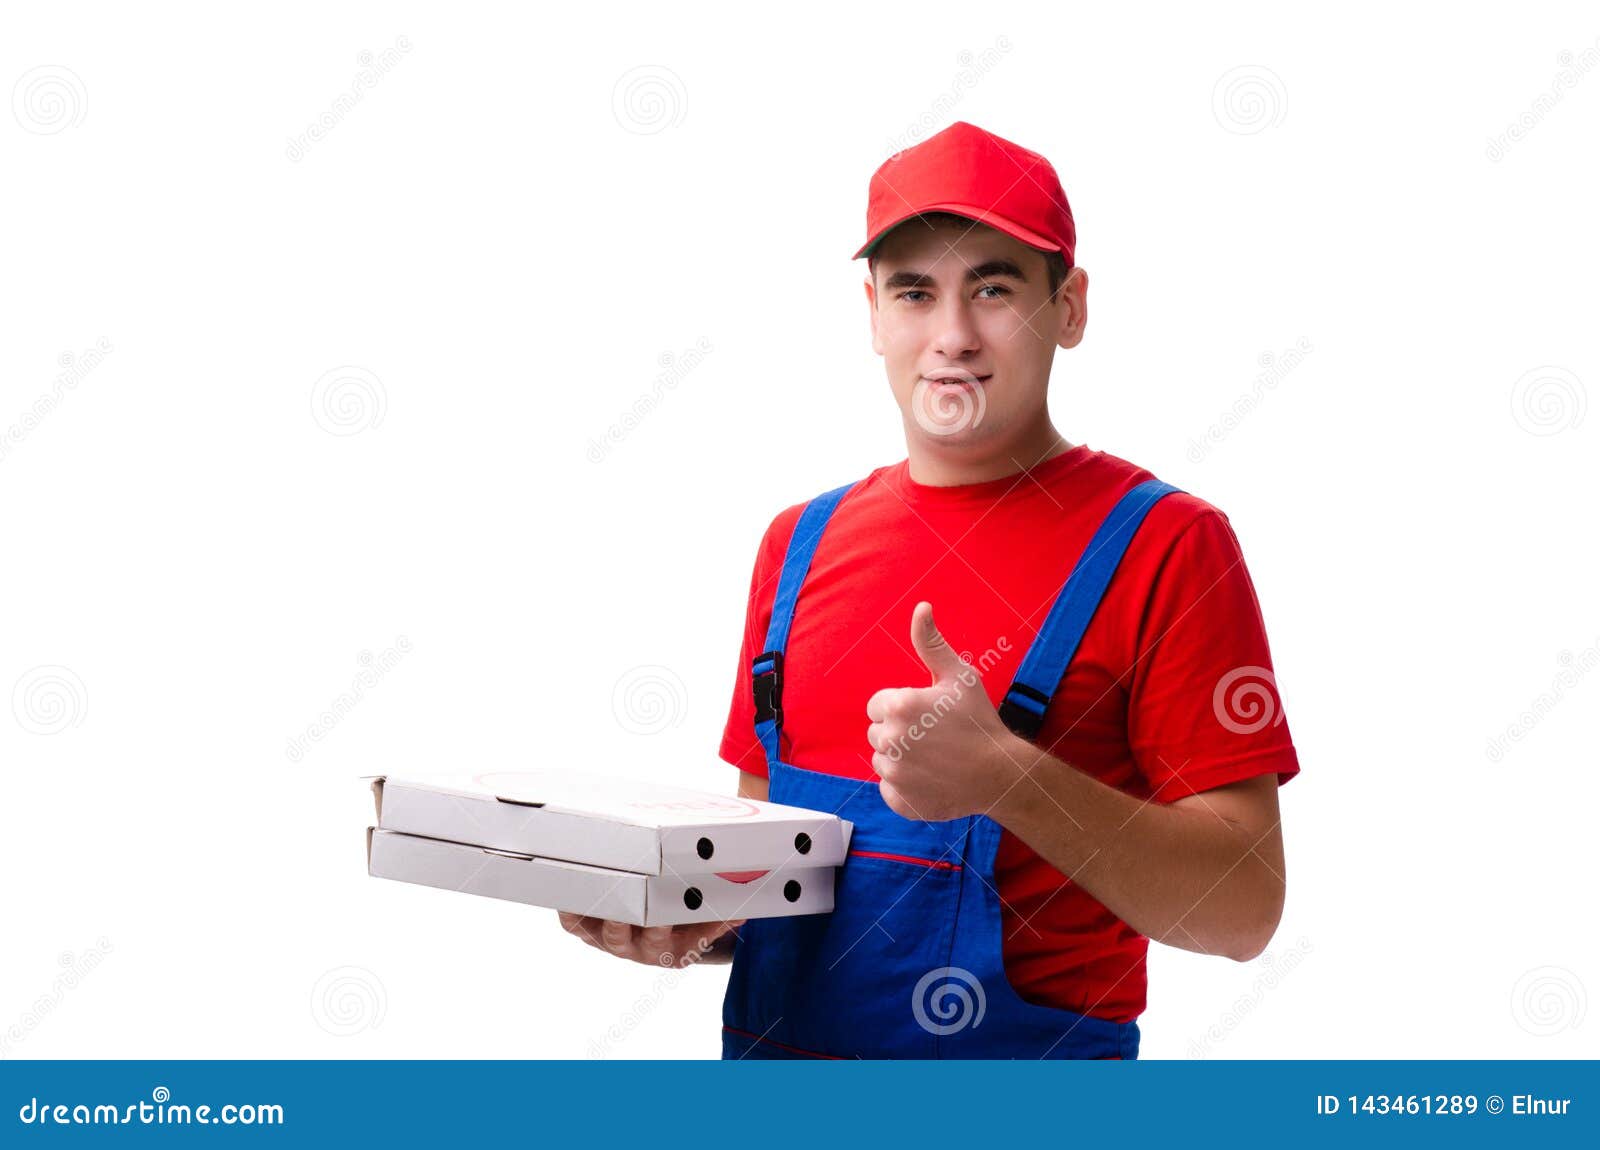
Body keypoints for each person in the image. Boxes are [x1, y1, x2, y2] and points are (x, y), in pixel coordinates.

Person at [560, 120, 1299, 1059]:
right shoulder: (797, 546)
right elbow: (770, 889)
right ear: (874, 312)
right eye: (916, 291)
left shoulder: (1168, 547)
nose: (953, 336)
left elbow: (1244, 911)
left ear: (1069, 307)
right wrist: (685, 923)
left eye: (993, 288)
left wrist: (1010, 780)